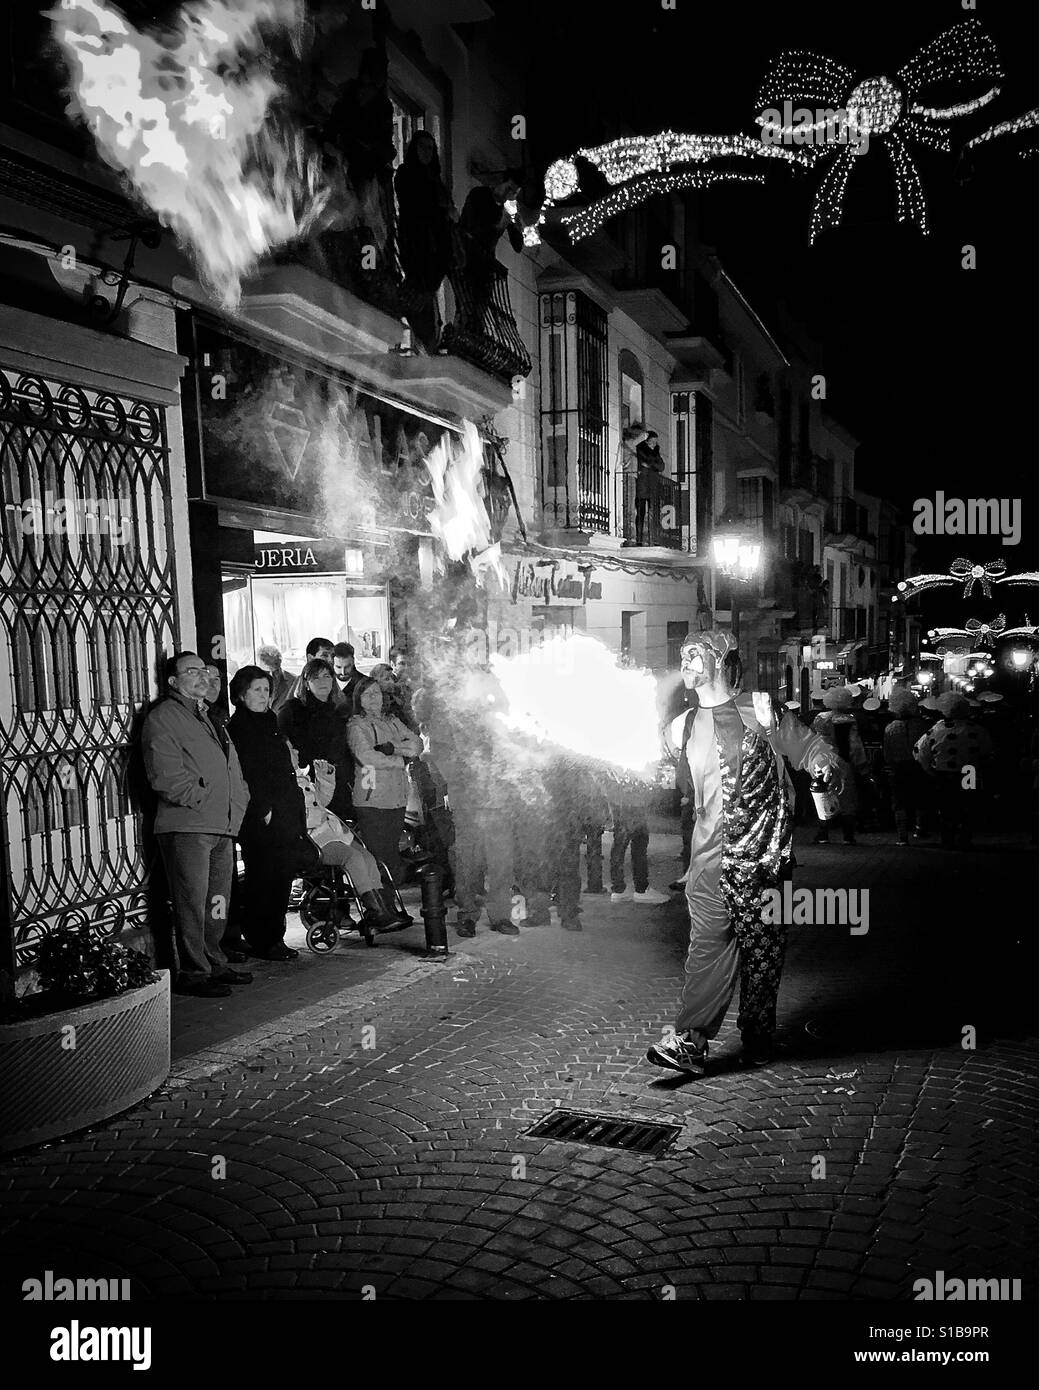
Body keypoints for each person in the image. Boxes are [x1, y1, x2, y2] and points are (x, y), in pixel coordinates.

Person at [646, 630, 839, 1073]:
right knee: (705, 948)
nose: (687, 665)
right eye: (682, 658)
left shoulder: (762, 711)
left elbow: (809, 748)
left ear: (718, 660)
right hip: (708, 859)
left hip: (763, 858)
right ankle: (692, 1040)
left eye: (694, 657)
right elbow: (675, 784)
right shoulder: (681, 726)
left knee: (764, 952)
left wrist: (823, 766)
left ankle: (757, 1035)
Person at [141, 652, 251, 998]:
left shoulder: (208, 716)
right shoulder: (164, 717)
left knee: (217, 899)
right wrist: (201, 797)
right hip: (188, 824)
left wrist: (239, 800)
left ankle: (214, 961)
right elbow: (165, 774)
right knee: (191, 901)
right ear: (173, 682)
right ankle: (193, 971)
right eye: (192, 671)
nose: (202, 676)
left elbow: (230, 769)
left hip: (221, 823)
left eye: (204, 670)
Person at [227, 665, 304, 961]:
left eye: (266, 690)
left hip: (284, 810)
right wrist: (264, 810)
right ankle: (263, 938)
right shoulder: (240, 728)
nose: (263, 695)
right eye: (256, 690)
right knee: (264, 877)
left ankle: (275, 936)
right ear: (242, 694)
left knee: (281, 877)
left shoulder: (269, 722)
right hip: (262, 816)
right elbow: (248, 773)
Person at [293, 751, 408, 932]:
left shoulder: (301, 777)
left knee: (368, 858)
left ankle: (382, 909)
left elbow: (321, 802)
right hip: (314, 839)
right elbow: (305, 817)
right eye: (291, 749)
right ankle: (375, 910)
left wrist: (324, 777)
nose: (297, 751)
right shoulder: (285, 782)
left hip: (333, 833)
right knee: (352, 857)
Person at [348, 675, 423, 883]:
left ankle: (391, 906)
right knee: (378, 858)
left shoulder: (392, 721)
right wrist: (400, 759)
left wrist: (393, 749)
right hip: (373, 800)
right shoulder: (357, 726)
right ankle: (383, 908)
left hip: (397, 798)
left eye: (377, 693)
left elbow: (417, 744)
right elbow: (367, 756)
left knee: (391, 855)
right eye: (367, 694)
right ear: (358, 698)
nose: (373, 698)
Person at [394, 130, 457, 352]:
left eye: (430, 148)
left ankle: (426, 344)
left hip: (436, 250)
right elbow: (414, 206)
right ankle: (421, 345)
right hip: (417, 244)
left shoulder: (436, 181)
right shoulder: (406, 174)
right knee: (419, 299)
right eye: (422, 147)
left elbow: (447, 213)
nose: (427, 153)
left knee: (426, 298)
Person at [914, 691, 995, 849]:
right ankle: (965, 836)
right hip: (969, 772)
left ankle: (948, 838)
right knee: (968, 805)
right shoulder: (977, 730)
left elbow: (921, 752)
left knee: (946, 806)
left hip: (944, 774)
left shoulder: (936, 730)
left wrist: (930, 769)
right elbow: (987, 751)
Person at [277, 658, 354, 820]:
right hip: (308, 785)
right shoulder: (292, 709)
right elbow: (280, 744)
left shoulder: (341, 710)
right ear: (306, 683)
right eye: (316, 677)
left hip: (339, 783)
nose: (322, 681)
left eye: (327, 676)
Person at [458, 173, 524, 329]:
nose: (510, 195)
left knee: (479, 310)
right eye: (509, 189)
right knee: (467, 307)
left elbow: (518, 245)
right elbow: (475, 231)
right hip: (468, 260)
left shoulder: (505, 208)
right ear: (500, 184)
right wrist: (501, 224)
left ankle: (472, 333)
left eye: (514, 193)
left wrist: (515, 224)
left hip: (485, 267)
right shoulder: (479, 196)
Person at [811, 687, 868, 844]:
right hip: (843, 761)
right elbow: (854, 745)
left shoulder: (820, 718)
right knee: (846, 798)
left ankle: (823, 833)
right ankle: (848, 836)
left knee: (823, 796)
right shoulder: (849, 720)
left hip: (821, 760)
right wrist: (861, 765)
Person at [606, 769, 668, 904]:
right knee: (639, 843)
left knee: (619, 844)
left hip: (618, 799)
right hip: (632, 800)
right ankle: (641, 889)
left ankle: (618, 889)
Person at [883, 688, 928, 845]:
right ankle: (920, 828)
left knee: (899, 800)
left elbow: (887, 752)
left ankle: (902, 836)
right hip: (919, 766)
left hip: (898, 767)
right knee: (921, 798)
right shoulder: (922, 726)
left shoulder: (890, 728)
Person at [634, 430, 665, 545]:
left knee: (655, 513)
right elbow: (645, 461)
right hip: (642, 486)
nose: (654, 444)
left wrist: (650, 465)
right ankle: (639, 539)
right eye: (652, 441)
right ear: (647, 441)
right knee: (641, 513)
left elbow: (661, 466)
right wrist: (654, 465)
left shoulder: (656, 452)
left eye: (655, 442)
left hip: (653, 486)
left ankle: (654, 539)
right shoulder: (641, 448)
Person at [257, 644, 296, 714]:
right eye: (267, 672)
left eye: (275, 670)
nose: (272, 675)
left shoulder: (293, 681)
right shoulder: (253, 684)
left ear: (280, 663)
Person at [333, 641, 362, 707]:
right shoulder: (326, 682)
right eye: (338, 667)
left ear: (353, 661)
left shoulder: (367, 684)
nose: (343, 672)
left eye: (347, 667)